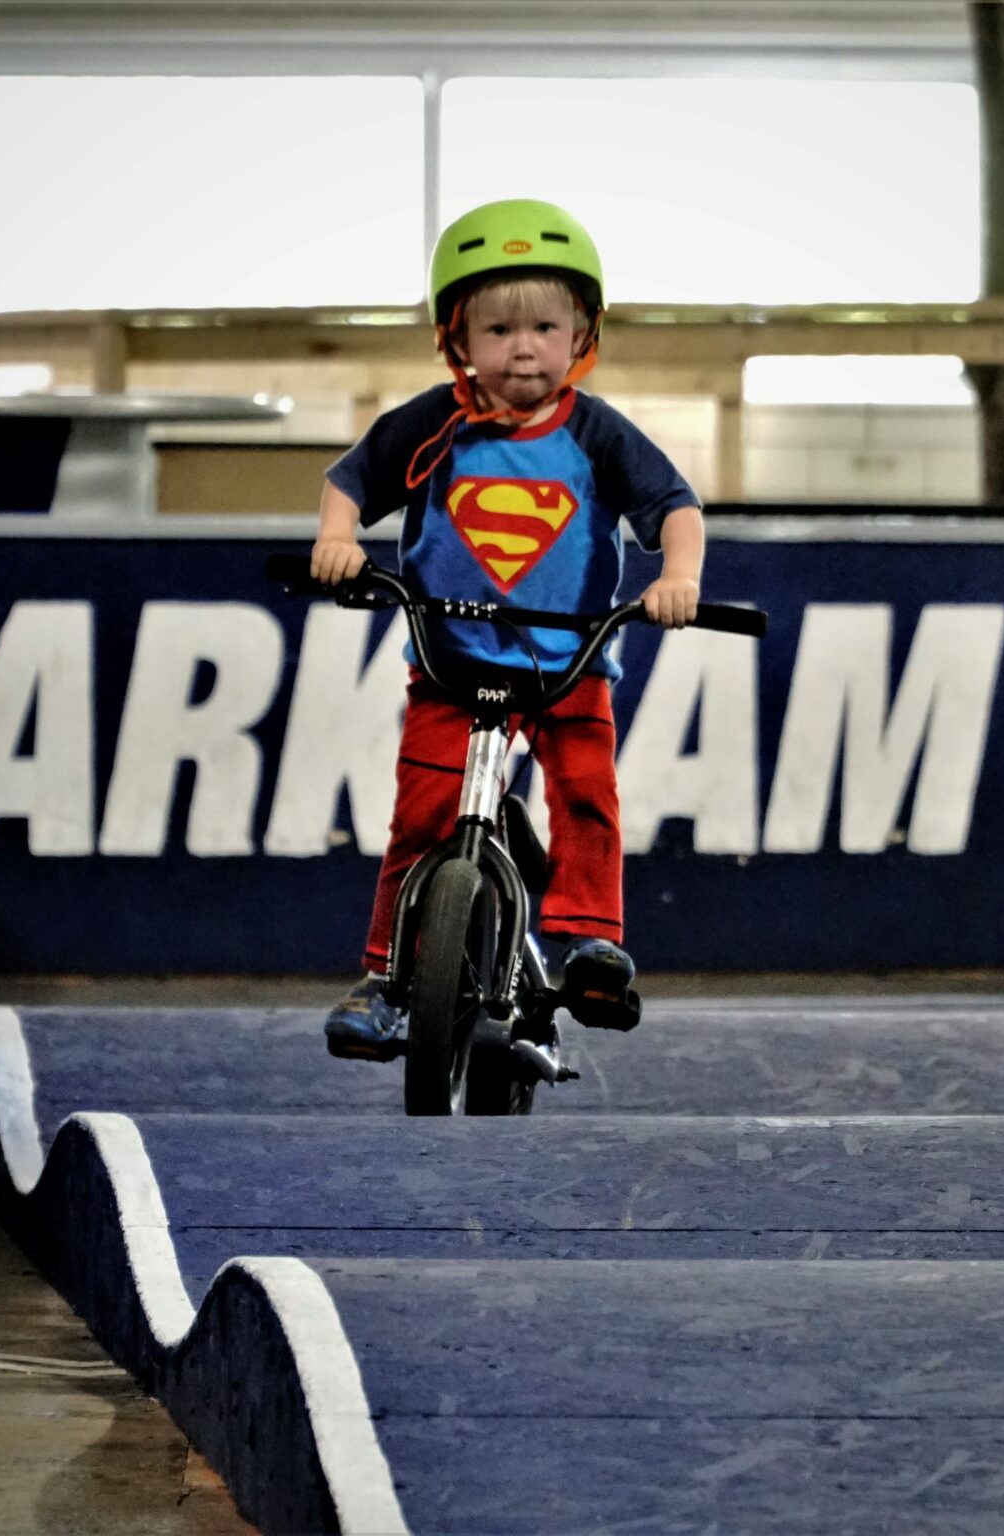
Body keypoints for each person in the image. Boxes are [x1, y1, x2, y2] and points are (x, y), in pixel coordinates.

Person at [312, 198, 705, 1058]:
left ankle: (589, 941)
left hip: (568, 665)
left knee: (585, 796)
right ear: (458, 341)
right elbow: (353, 478)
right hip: (452, 662)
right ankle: (387, 977)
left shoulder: (598, 434)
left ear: (581, 335)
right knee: (419, 821)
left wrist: (678, 577)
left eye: (544, 326)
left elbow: (675, 507)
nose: (522, 347)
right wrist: (338, 539)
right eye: (496, 330)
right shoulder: (432, 424)